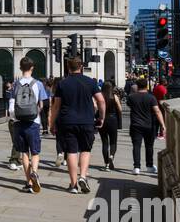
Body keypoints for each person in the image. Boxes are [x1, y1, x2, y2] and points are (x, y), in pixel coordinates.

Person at [49, 57, 105, 194]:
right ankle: (83, 176)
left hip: (67, 121)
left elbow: (56, 106)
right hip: (86, 121)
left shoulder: (62, 84)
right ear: (81, 67)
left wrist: (52, 123)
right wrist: (101, 118)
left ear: (68, 67)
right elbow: (101, 101)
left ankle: (73, 185)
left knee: (71, 152)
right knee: (85, 150)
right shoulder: (90, 82)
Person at [8, 57, 49, 193]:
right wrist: (35, 112)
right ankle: (35, 172)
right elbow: (42, 105)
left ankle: (29, 183)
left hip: (19, 122)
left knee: (24, 153)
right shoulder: (38, 84)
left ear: (20, 68)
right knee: (35, 152)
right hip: (34, 122)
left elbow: (12, 104)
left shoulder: (16, 84)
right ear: (32, 68)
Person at [127, 78, 165, 175]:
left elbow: (130, 105)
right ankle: (149, 166)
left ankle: (136, 167)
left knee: (136, 146)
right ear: (146, 86)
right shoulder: (151, 97)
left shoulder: (131, 97)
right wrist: (163, 125)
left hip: (135, 124)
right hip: (149, 125)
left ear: (137, 86)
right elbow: (157, 111)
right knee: (149, 146)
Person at [98, 81, 122, 171]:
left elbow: (96, 107)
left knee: (104, 143)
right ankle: (111, 156)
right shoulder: (114, 96)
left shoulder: (100, 96)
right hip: (113, 119)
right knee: (113, 142)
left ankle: (106, 164)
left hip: (102, 120)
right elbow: (120, 109)